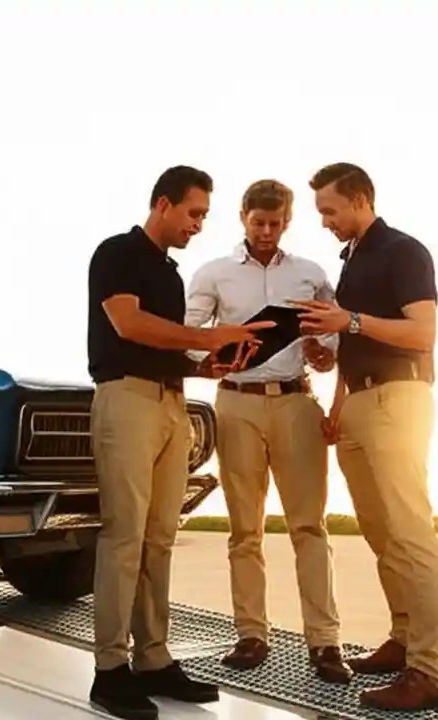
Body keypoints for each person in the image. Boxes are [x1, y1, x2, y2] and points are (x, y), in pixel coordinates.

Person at [86, 165, 275, 720]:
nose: (198, 225)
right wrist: (204, 336)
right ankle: (109, 670)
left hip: (171, 405)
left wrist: (213, 362)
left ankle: (152, 658)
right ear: (163, 204)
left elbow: (168, 345)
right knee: (124, 535)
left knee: (160, 537)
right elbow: (128, 325)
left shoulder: (171, 275)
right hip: (126, 401)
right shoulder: (116, 253)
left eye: (204, 217)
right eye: (194, 213)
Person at [292, 162, 438, 711]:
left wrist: (349, 322)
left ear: (359, 200)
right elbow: (351, 340)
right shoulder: (352, 259)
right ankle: (404, 639)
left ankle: (428, 671)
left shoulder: (404, 251)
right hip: (358, 404)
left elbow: (421, 332)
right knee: (382, 536)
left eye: (330, 210)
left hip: (397, 400)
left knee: (411, 534)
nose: (325, 222)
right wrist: (336, 399)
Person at [182, 179, 352, 684]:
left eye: (276, 223)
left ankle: (325, 643)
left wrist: (326, 353)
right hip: (236, 403)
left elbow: (333, 336)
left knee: (309, 526)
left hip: (296, 401)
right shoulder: (213, 273)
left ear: (288, 221)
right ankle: (251, 635)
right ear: (242, 217)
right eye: (259, 222)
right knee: (244, 529)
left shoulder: (311, 273)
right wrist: (219, 347)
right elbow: (191, 338)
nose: (266, 231)